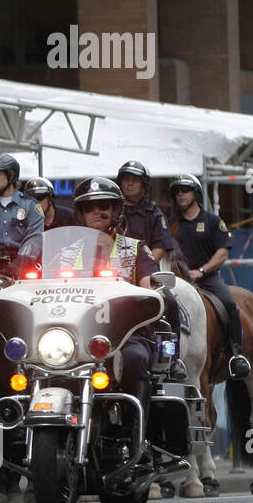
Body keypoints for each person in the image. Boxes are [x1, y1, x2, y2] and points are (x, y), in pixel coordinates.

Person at [70, 177, 166, 461]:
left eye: (105, 207)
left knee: (135, 360)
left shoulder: (136, 249)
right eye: (90, 208)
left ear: (117, 211)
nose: (98, 213)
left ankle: (136, 436)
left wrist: (149, 291)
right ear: (80, 214)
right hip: (74, 338)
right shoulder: (65, 253)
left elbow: (150, 286)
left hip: (126, 336)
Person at [169, 174, 252, 378]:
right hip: (179, 282)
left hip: (207, 280)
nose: (180, 194)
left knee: (230, 304)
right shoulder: (170, 225)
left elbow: (222, 252)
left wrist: (202, 271)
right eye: (177, 191)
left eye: (185, 190)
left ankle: (236, 355)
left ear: (195, 193)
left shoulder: (213, 221)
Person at [117, 160, 176, 263]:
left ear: (144, 185)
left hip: (142, 271)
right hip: (112, 269)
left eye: (135, 180)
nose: (130, 183)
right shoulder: (112, 209)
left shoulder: (154, 214)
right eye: (126, 179)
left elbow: (160, 247)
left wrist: (144, 267)